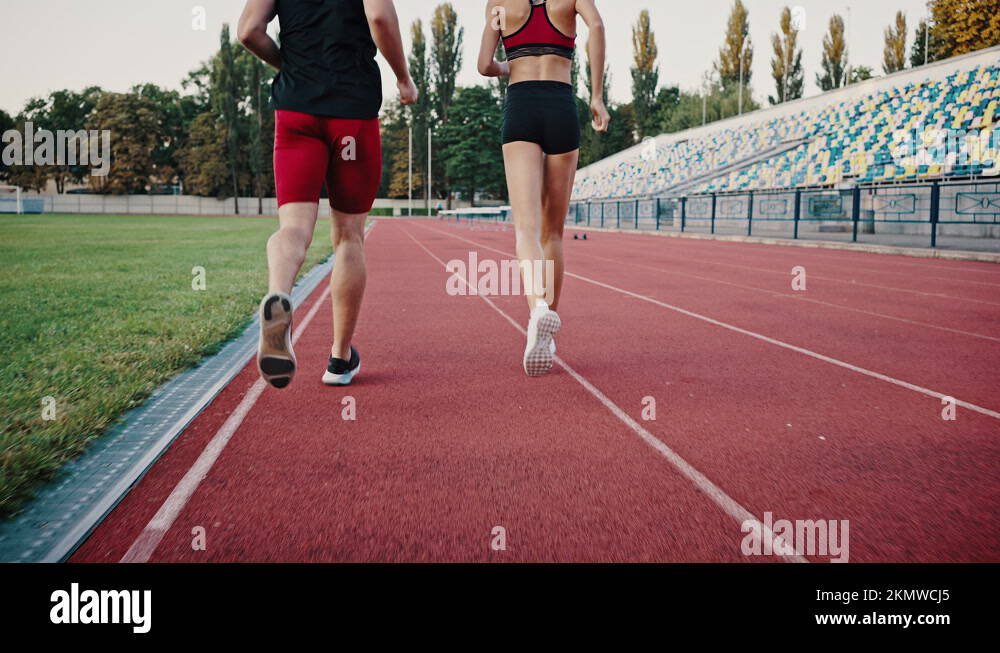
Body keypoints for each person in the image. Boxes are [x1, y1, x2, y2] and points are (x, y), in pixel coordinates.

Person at [238, 0, 417, 387]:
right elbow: (380, 16)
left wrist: (290, 65)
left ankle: (278, 295)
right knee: (349, 237)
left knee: (293, 229)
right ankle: (339, 359)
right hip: (352, 111)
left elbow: (248, 31)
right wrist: (403, 77)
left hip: (296, 109)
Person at [477, 0, 609, 377]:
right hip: (560, 104)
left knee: (526, 229)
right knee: (554, 232)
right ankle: (547, 325)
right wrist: (597, 95)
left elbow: (484, 64)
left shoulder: (499, 3)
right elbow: (596, 27)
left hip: (520, 105)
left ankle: (537, 308)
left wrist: (509, 65)